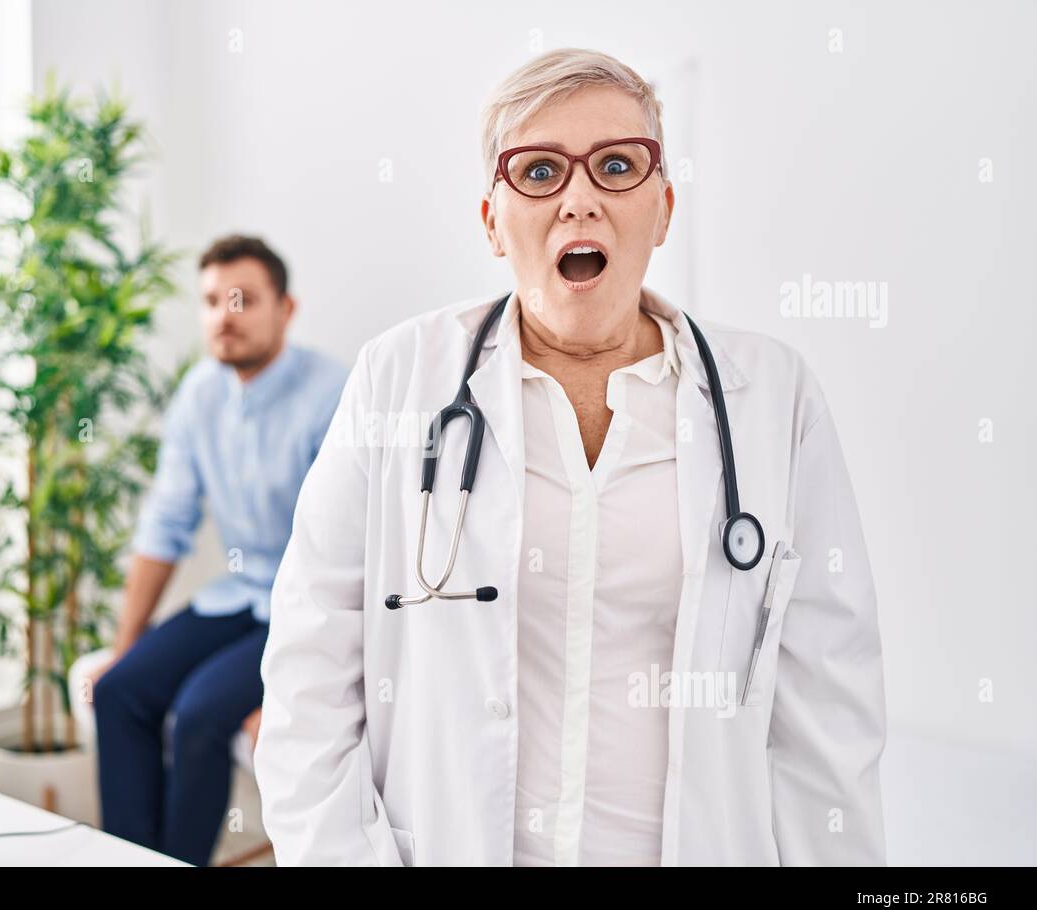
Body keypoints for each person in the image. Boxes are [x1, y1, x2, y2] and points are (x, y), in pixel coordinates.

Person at [254, 49, 887, 866]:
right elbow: (309, 683)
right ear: (491, 220)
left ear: (662, 210)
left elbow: (828, 716)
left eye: (617, 166)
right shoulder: (397, 379)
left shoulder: (774, 398)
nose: (580, 199)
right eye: (541, 171)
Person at [93, 234, 346, 866]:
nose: (224, 315)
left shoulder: (334, 393)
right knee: (120, 690)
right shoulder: (198, 395)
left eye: (242, 299)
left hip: (303, 604)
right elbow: (165, 525)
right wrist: (127, 645)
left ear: (285, 309)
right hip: (235, 596)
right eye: (210, 301)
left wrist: (300, 682)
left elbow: (353, 554)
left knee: (199, 713)